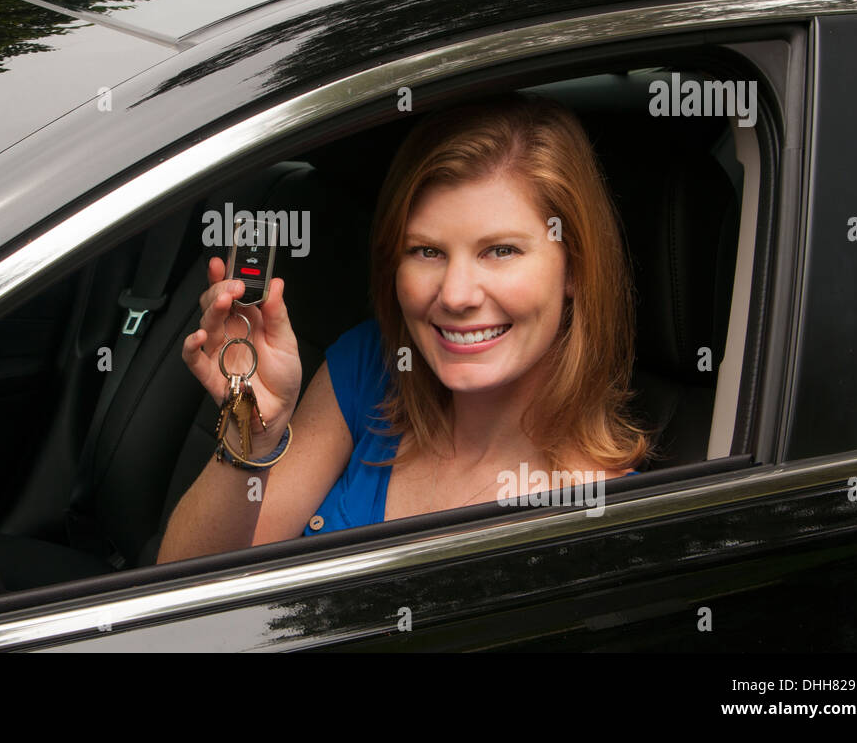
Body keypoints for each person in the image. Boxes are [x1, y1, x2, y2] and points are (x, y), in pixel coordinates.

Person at [156, 93, 652, 564]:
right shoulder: (373, 366)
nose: (456, 295)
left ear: (575, 269)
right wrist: (251, 432)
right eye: (427, 252)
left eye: (501, 251)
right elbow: (178, 601)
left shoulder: (605, 516)